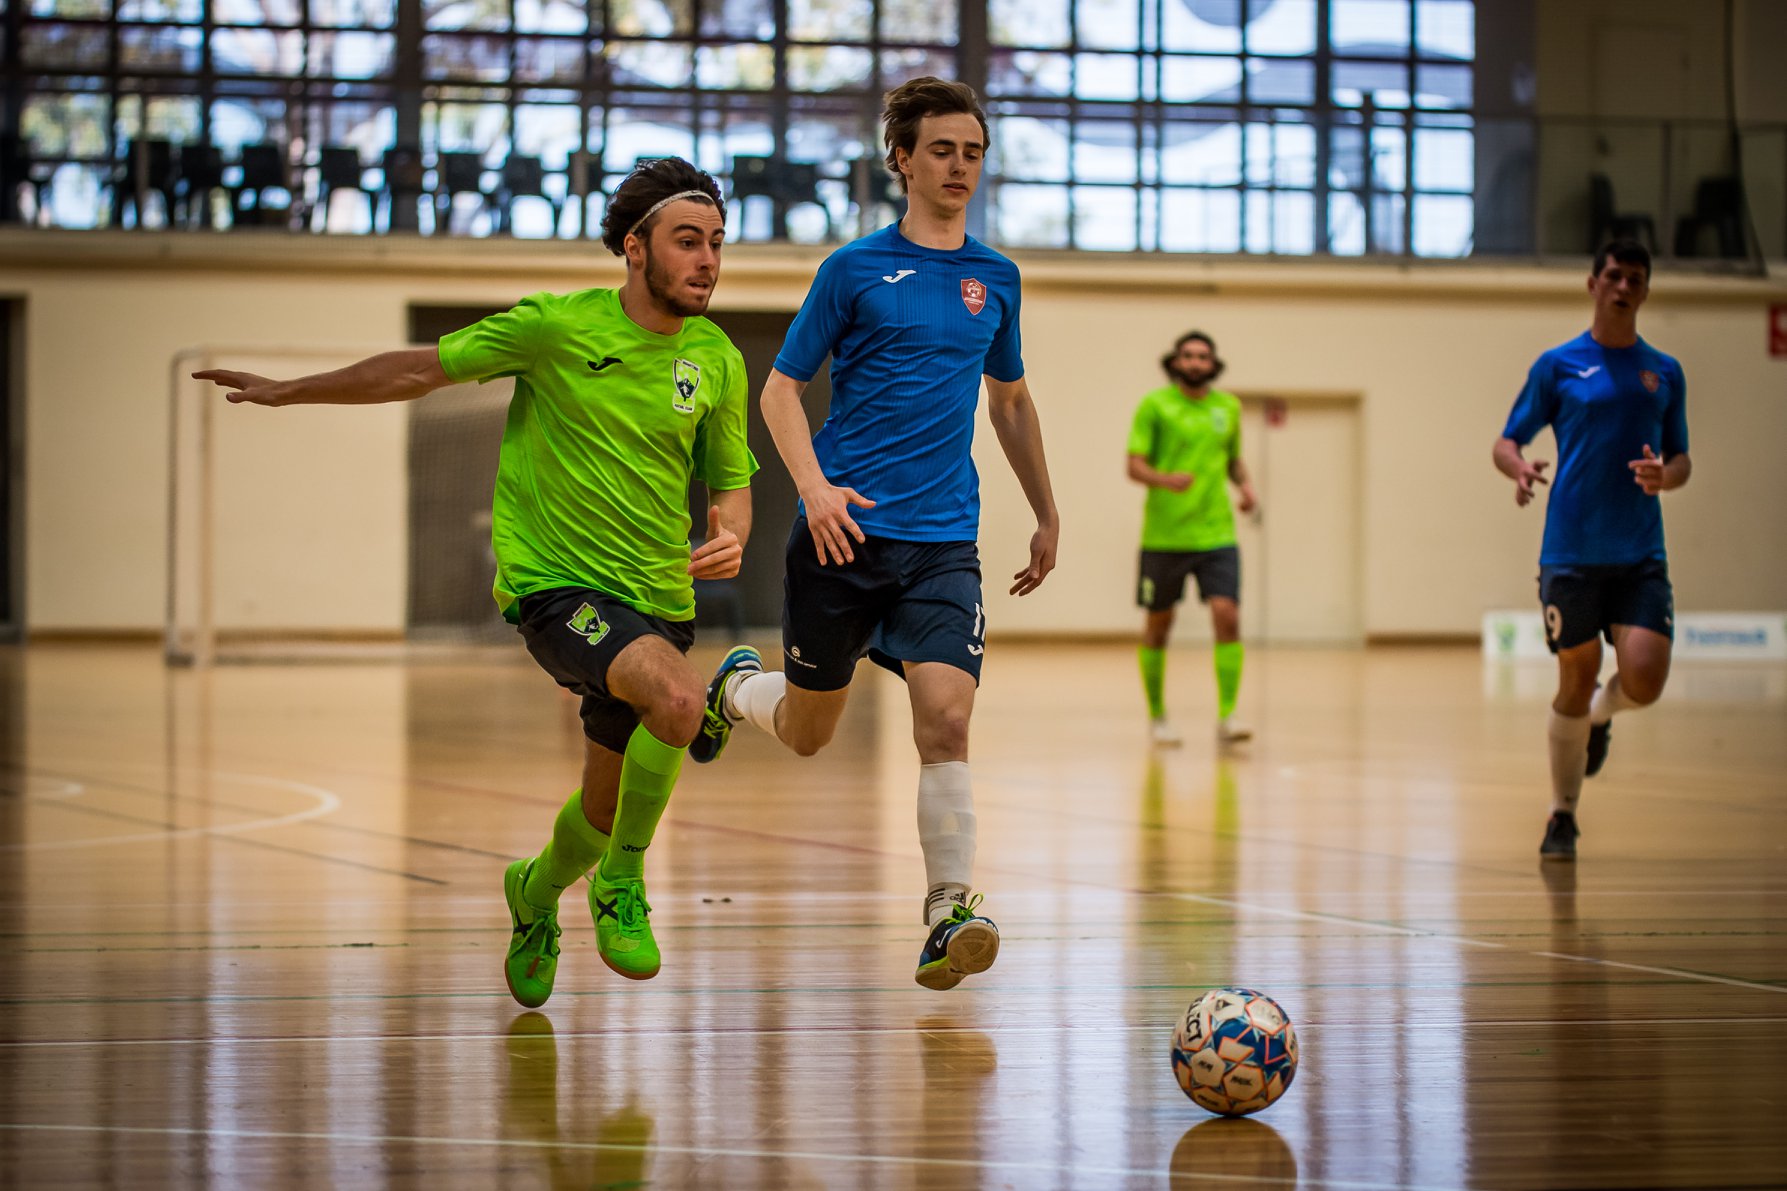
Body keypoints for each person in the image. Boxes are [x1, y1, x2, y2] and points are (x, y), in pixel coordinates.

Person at [192, 158, 758, 1004]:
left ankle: (535, 890)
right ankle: (621, 883)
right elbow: (418, 369)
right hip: (556, 586)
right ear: (635, 248)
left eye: (715, 242)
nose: (707, 260)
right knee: (679, 703)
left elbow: (731, 483)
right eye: (688, 241)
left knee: (601, 813)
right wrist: (292, 391)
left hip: (657, 599)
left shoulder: (716, 358)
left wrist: (731, 532)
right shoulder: (554, 326)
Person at [688, 76, 1060, 991]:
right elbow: (780, 391)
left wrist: (1046, 511)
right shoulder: (852, 269)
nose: (959, 167)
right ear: (901, 158)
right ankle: (738, 690)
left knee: (947, 718)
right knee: (808, 730)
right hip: (842, 537)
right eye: (941, 150)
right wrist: (812, 490)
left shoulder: (996, 279)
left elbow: (1010, 401)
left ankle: (948, 911)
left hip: (942, 542)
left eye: (973, 153)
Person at [1493, 239, 1690, 861]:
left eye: (1635, 278)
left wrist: (1666, 477)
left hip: (1639, 552)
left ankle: (1603, 718)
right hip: (1571, 552)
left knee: (1645, 679)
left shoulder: (1664, 372)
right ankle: (1563, 815)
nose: (1624, 286)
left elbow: (1681, 457)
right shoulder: (1557, 366)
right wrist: (1519, 468)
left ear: (1646, 290)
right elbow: (1505, 441)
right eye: (1614, 276)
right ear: (1593, 284)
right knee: (1574, 679)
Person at [1126, 331, 1259, 748]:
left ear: (1213, 364)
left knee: (1228, 615)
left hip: (1217, 534)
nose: (1196, 362)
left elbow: (1233, 460)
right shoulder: (1155, 405)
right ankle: (1158, 716)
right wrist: (1165, 479)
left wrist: (1246, 487)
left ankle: (1228, 716)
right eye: (1188, 356)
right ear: (1175, 362)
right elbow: (1134, 465)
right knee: (1159, 625)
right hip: (1165, 537)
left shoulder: (1228, 407)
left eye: (1203, 356)